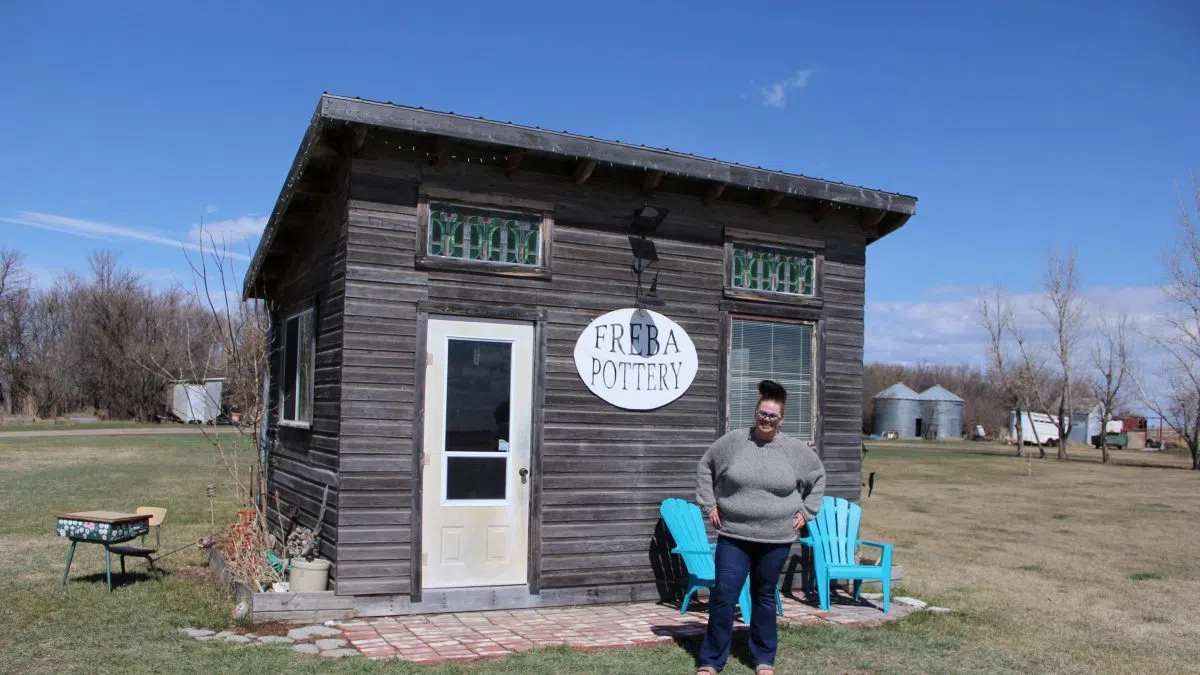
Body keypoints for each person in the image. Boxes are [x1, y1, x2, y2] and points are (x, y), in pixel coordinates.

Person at [694, 379, 826, 675]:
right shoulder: (733, 443)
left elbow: (818, 478)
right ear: (755, 412)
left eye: (773, 416)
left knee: (764, 596)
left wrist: (807, 512)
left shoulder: (795, 450)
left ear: (782, 419)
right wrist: (709, 504)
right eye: (762, 414)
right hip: (734, 536)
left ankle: (764, 659)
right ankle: (711, 660)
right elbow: (706, 466)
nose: (766, 420)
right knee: (724, 597)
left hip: (776, 538)